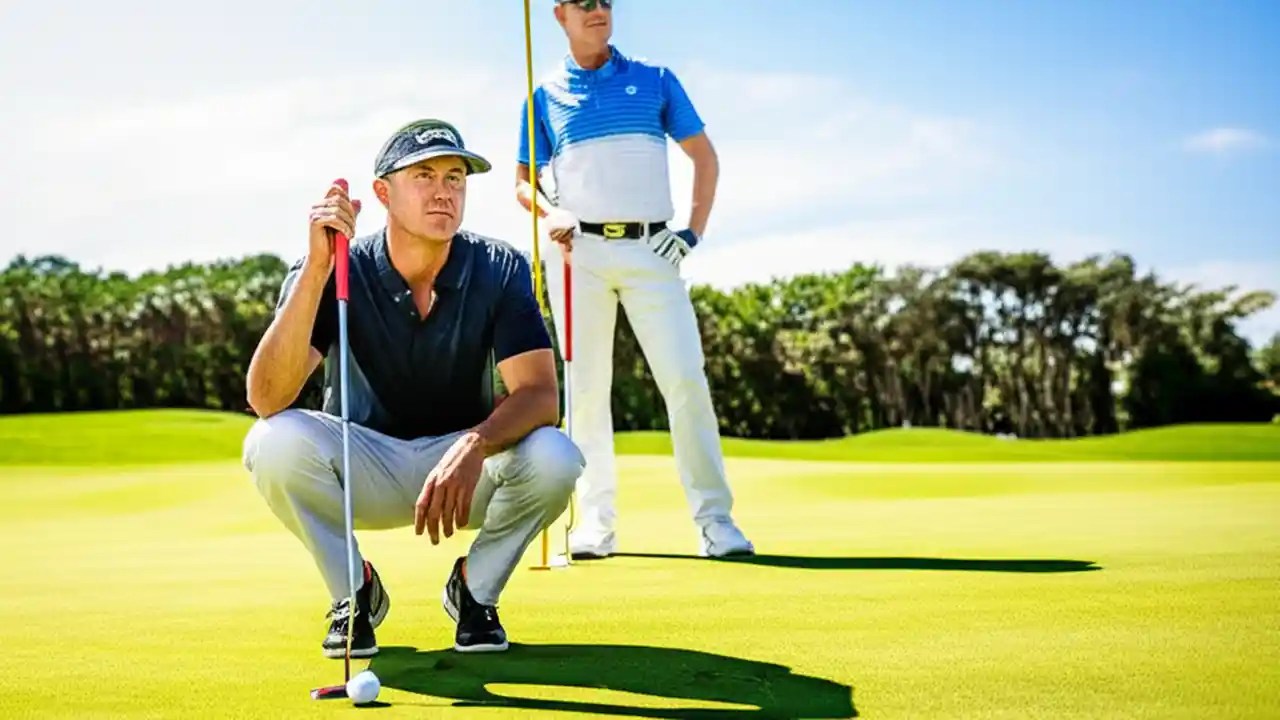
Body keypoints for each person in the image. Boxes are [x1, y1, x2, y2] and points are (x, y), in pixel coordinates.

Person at [242, 118, 585, 659]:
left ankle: (476, 592)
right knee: (271, 441)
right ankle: (353, 594)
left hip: (467, 464)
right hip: (364, 466)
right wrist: (315, 272)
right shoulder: (337, 267)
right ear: (383, 193)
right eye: (423, 175)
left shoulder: (499, 266)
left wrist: (475, 443)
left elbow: (541, 395)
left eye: (455, 177)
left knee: (556, 456)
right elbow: (266, 398)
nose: (444, 191)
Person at [514, 0, 753, 560]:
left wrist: (691, 233)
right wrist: (552, 213)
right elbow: (524, 181)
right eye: (583, 3)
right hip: (577, 253)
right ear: (560, 15)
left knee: (685, 381)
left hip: (653, 248)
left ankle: (716, 522)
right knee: (587, 390)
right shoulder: (543, 95)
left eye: (604, 1)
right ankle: (595, 525)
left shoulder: (655, 80)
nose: (597, 10)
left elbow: (705, 159)